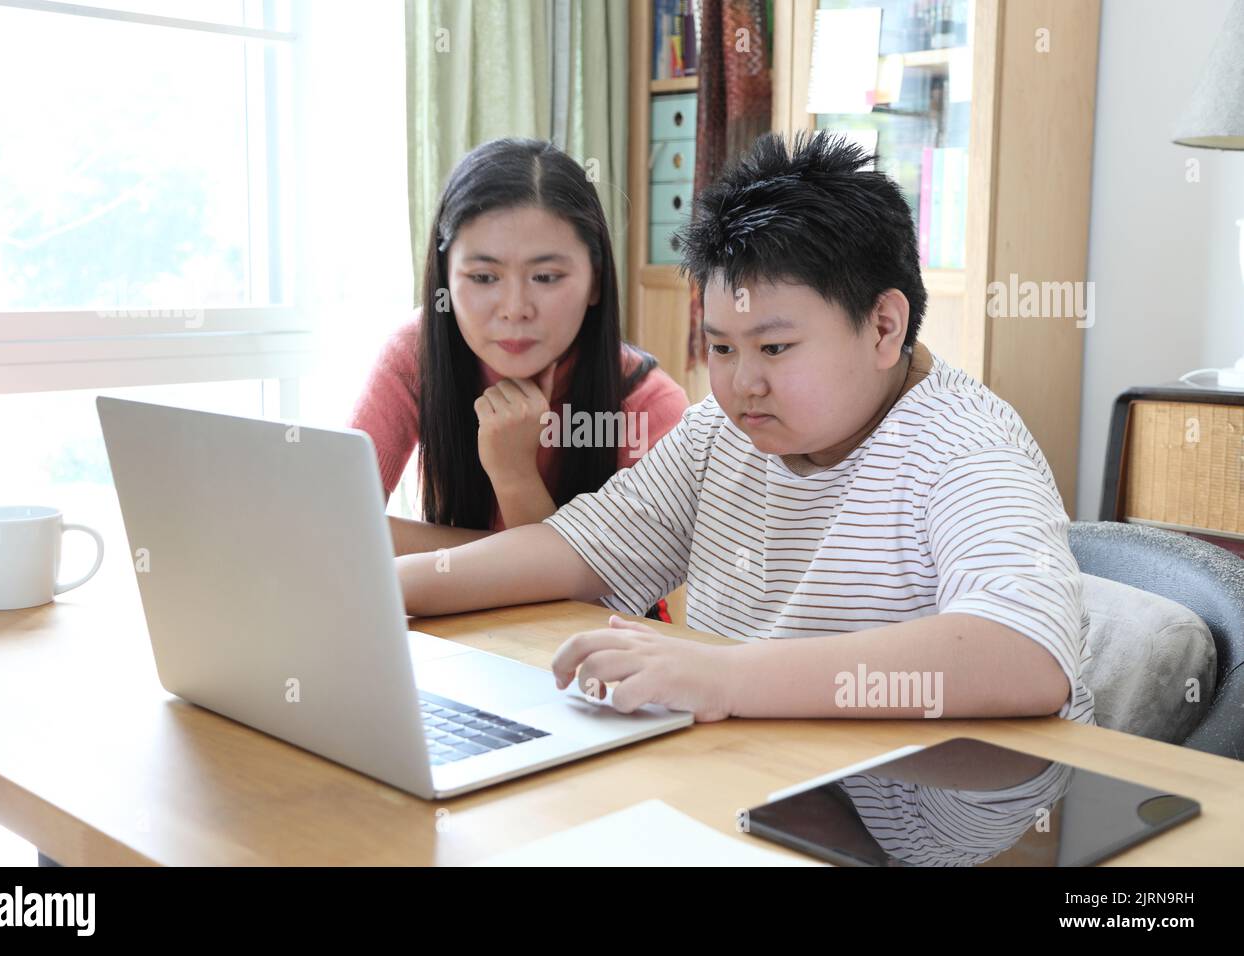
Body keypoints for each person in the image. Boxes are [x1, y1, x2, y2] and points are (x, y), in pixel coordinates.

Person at [395, 130, 1095, 726]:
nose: (741, 384)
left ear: (885, 326)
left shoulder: (966, 445)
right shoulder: (719, 435)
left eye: (776, 348)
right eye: (722, 348)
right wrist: (389, 584)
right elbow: (573, 553)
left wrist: (725, 677)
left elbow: (1026, 654)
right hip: (759, 778)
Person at [349, 138, 689, 572]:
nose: (514, 308)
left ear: (596, 283)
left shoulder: (648, 405)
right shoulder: (414, 357)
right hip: (453, 630)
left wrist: (512, 471)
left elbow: (589, 597)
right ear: (445, 281)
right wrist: (516, 549)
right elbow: (334, 526)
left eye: (546, 277)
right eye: (484, 276)